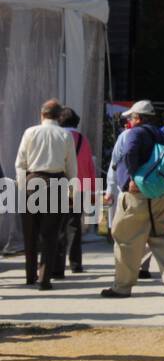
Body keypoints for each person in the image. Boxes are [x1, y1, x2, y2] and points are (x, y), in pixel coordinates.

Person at [101, 100, 164, 298]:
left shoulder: (135, 133)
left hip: (137, 193)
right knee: (161, 235)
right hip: (162, 191)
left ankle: (122, 286)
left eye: (131, 117)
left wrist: (131, 177)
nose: (129, 121)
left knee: (125, 238)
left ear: (138, 118)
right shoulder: (162, 134)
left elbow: (130, 152)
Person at [15, 99, 77, 289]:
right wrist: (71, 192)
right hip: (57, 183)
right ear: (59, 116)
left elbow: (20, 163)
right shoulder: (65, 136)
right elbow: (71, 168)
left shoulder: (30, 132)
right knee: (50, 235)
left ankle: (30, 275)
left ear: (42, 114)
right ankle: (44, 279)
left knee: (30, 233)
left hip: (32, 182)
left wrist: (22, 188)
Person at [55, 107, 96, 276]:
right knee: (74, 226)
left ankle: (56, 265)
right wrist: (93, 190)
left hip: (58, 186)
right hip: (79, 188)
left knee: (56, 226)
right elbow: (89, 166)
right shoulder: (82, 140)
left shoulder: (56, 137)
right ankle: (75, 263)